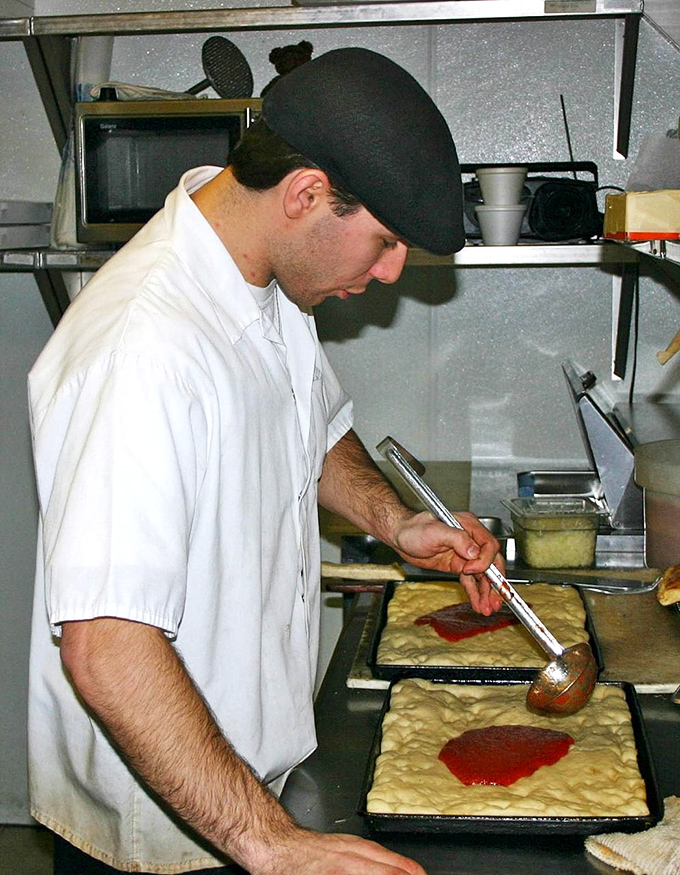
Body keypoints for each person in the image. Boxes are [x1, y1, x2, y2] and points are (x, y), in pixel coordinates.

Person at [27, 47, 503, 875]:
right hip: (169, 827)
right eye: (384, 241)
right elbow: (106, 642)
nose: (390, 272)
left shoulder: (268, 286)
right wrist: (273, 843)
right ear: (305, 193)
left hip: (250, 791)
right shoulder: (144, 346)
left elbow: (313, 429)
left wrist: (399, 522)